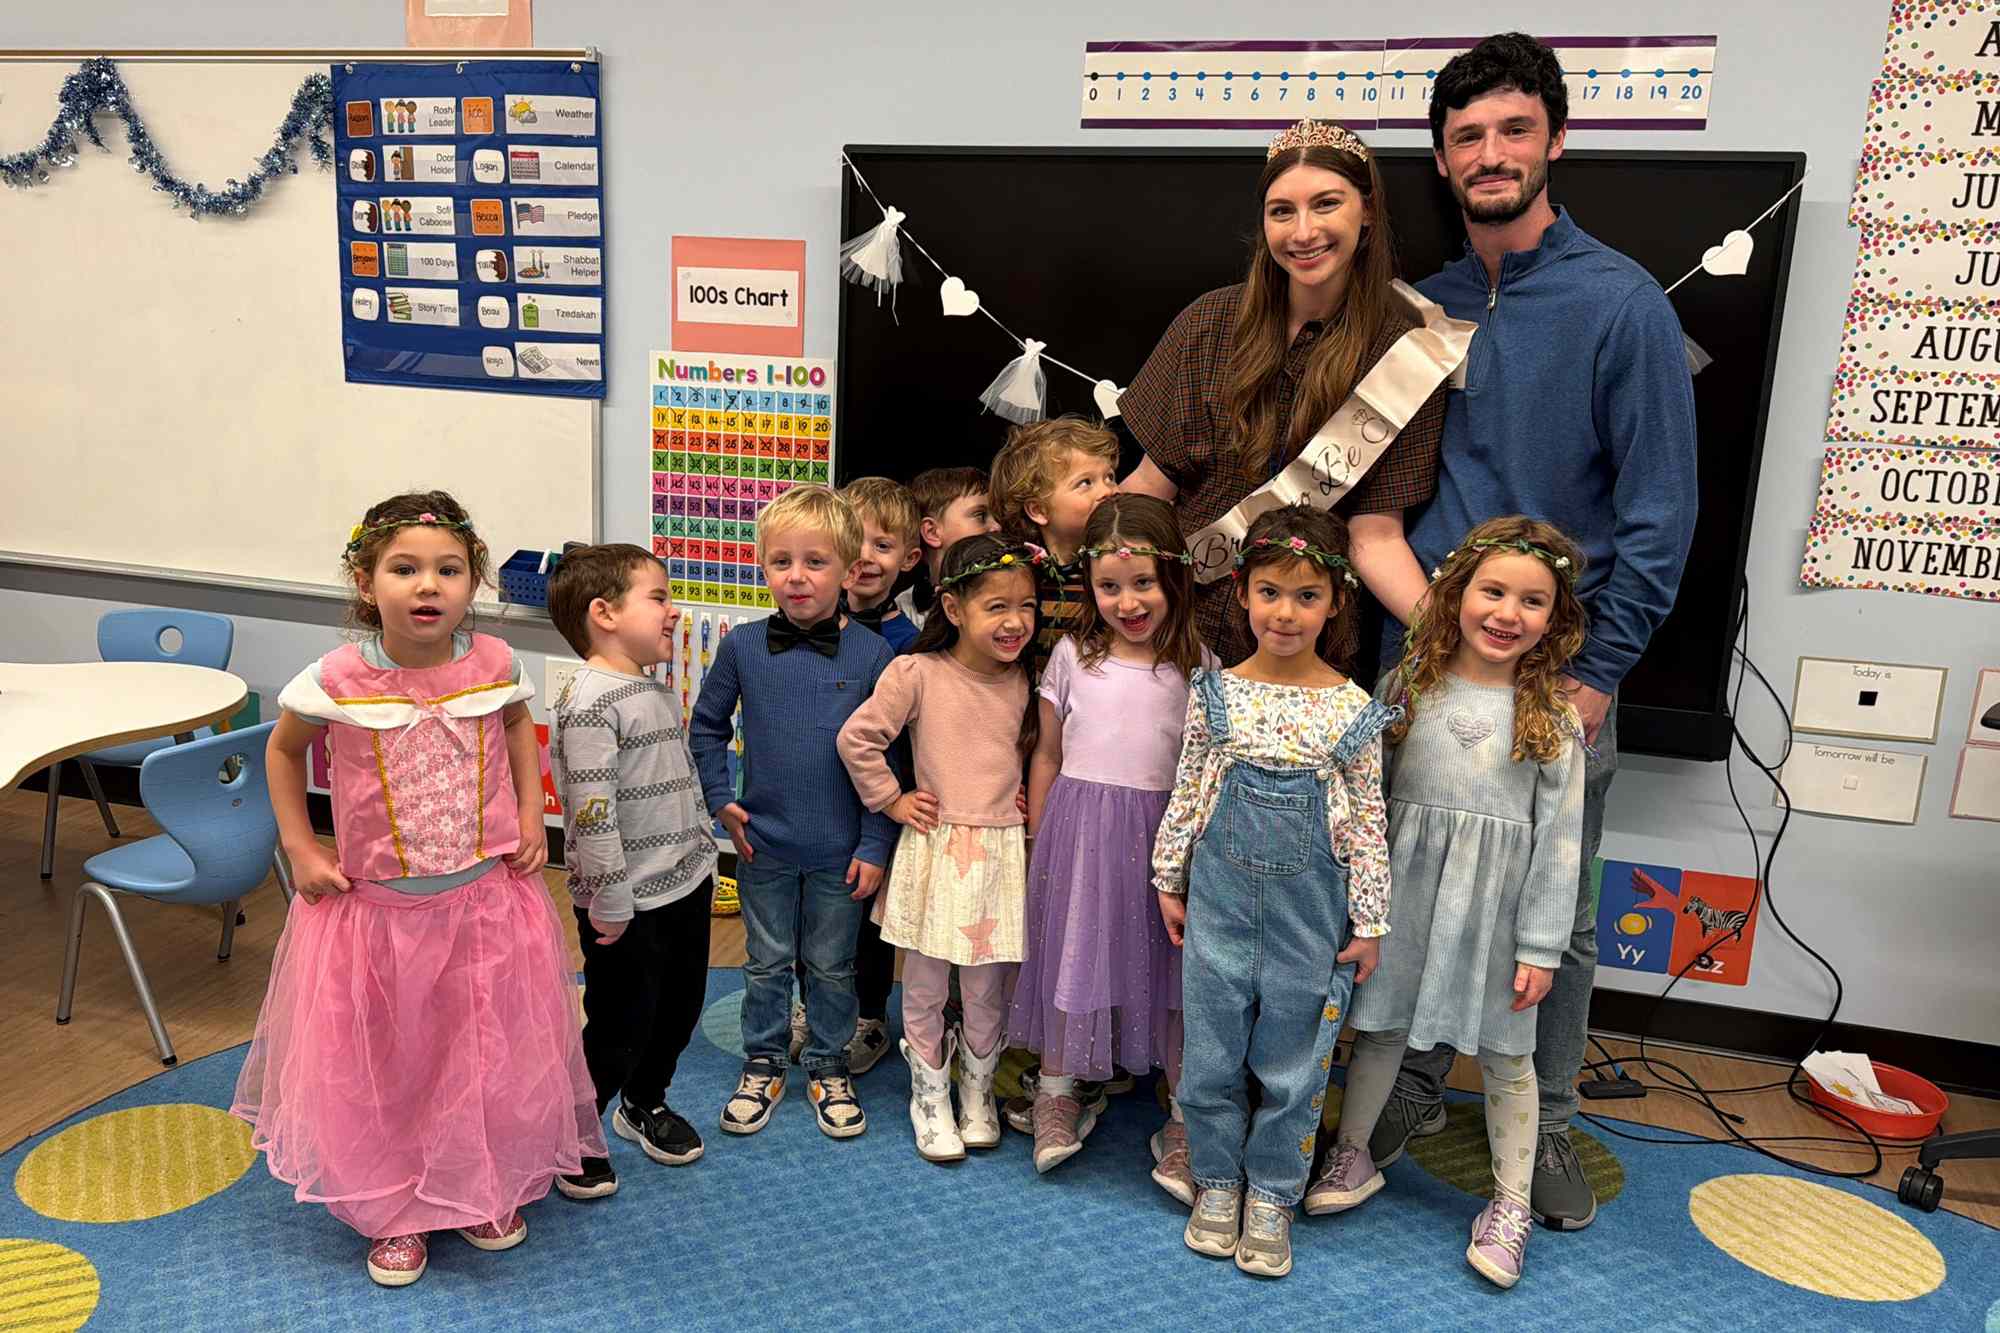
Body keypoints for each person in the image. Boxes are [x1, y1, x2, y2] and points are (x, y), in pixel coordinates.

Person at [1375, 33, 1700, 1231]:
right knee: (1407, 885)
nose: (1490, 154)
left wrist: (1599, 674)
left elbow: (1662, 512)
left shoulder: (1619, 304)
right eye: (1466, 136)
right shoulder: (1421, 308)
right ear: (1442, 160)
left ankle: (1549, 1118)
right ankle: (1407, 1076)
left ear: (1553, 141)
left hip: (1557, 681)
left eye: (1513, 130)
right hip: (1421, 673)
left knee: (1550, 923)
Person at [233, 492, 603, 1288]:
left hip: (483, 905)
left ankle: (475, 1183)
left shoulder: (494, 663)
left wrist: (532, 813)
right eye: (404, 568)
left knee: (480, 1051)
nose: (427, 585)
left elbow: (510, 726)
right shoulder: (338, 676)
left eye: (448, 569)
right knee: (392, 1062)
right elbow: (282, 752)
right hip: (381, 916)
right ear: (366, 581)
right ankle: (396, 1206)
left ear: (472, 582)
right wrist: (301, 845)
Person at [1310, 518, 1588, 1289]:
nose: (1507, 612)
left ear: (1554, 617)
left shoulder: (1554, 717)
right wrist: (1357, 902)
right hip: (1404, 899)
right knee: (1379, 1030)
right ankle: (1354, 1151)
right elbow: (1366, 796)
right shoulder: (1408, 687)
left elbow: (1561, 844)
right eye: (1492, 590)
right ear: (1455, 592)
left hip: (1499, 917)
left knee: (1507, 1055)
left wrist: (1541, 945)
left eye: (1532, 600)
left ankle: (1510, 1201)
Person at [1152, 506, 1395, 1279]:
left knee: (1295, 1062)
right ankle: (1219, 1181)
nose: (1285, 612)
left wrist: (1371, 918)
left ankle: (1273, 1195)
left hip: (1310, 915)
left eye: (1306, 596)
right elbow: (1189, 786)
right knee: (1212, 1054)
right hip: (1218, 902)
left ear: (1335, 603)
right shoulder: (1217, 695)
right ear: (1243, 593)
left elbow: (1368, 821)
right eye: (1269, 592)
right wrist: (1168, 876)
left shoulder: (1352, 710)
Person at [1118, 119, 1448, 668]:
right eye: (1281, 211)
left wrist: (1456, 646)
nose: (1302, 232)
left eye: (1326, 204)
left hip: (1302, 649)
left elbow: (1376, 538)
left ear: (1366, 212)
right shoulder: (1208, 323)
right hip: (1175, 631)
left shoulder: (1402, 356)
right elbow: (1150, 489)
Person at [1006, 495, 1213, 1181]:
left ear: (1174, 578)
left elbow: (1203, 765)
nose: (1128, 601)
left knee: (1174, 976)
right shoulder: (1071, 656)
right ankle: (1059, 1090)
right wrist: (1038, 838)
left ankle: (1184, 1116)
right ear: (1089, 587)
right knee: (1078, 955)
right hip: (1081, 834)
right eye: (1110, 586)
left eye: (1143, 582)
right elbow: (1047, 753)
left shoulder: (1198, 665)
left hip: (1163, 839)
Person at [689, 485, 896, 1140]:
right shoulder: (744, 647)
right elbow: (705, 729)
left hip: (842, 850)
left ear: (847, 568)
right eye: (782, 561)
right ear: (763, 566)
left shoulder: (874, 656)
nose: (797, 576)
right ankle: (764, 1057)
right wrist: (721, 800)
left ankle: (830, 1061)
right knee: (766, 961)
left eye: (815, 561)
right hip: (764, 846)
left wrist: (873, 843)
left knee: (834, 965)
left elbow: (889, 760)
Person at [837, 534, 1041, 1163]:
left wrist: (1033, 800)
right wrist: (892, 800)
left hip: (1004, 850)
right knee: (924, 984)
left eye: (1027, 607)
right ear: (953, 609)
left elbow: (1037, 755)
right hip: (937, 846)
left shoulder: (1026, 681)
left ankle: (976, 1091)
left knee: (987, 987)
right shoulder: (917, 672)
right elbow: (858, 739)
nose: (1015, 623)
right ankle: (928, 1095)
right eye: (996, 607)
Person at [546, 544, 719, 1200]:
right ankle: (575, 1128)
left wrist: (704, 849)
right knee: (621, 1023)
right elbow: (591, 813)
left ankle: (643, 1101)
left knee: (680, 1007)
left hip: (686, 880)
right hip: (628, 903)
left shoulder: (646, 686)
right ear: (605, 612)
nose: (673, 612)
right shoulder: (589, 700)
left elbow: (677, 781)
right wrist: (610, 900)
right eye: (659, 598)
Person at [987, 416, 1121, 681]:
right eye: (1086, 482)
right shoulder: (1021, 578)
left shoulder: (1122, 571)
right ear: (1038, 510)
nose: (1108, 491)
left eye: (1110, 477)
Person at [902, 465, 1002, 621]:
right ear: (932, 532)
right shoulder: (901, 610)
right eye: (980, 516)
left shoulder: (1009, 597)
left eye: (997, 517)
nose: (997, 527)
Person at [839, 476, 924, 653]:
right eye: (853, 540)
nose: (864, 556)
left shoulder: (910, 645)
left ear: (909, 559)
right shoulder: (813, 625)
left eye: (882, 546)